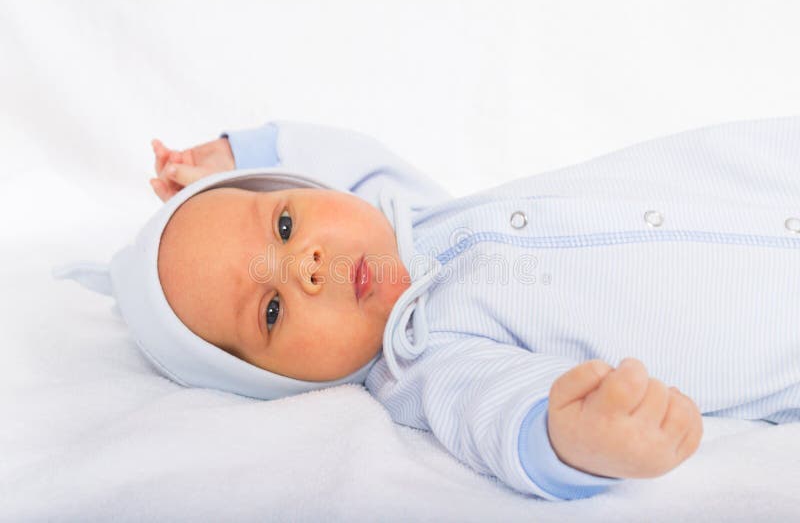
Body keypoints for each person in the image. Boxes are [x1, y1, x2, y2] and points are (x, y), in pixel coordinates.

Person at [57, 118, 800, 501]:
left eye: (284, 225)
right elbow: (493, 410)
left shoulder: (406, 207)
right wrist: (572, 435)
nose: (306, 266)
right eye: (273, 312)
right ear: (280, 385)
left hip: (755, 177)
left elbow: (339, 151)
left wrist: (226, 153)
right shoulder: (422, 358)